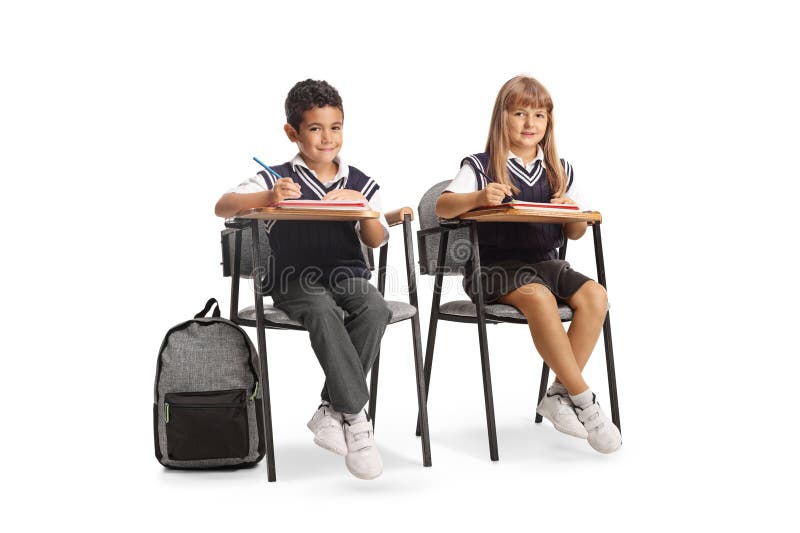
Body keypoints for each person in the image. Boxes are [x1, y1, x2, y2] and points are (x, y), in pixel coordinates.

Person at [435, 75, 621, 454]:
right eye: (519, 113)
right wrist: (478, 197)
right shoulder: (480, 165)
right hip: (492, 268)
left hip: (545, 263)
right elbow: (442, 207)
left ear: (548, 122)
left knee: (596, 296)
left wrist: (573, 213)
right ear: (502, 118)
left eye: (539, 115)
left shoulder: (560, 170)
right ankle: (583, 399)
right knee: (539, 298)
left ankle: (557, 392)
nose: (529, 123)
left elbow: (576, 232)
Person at [215, 79, 390, 478]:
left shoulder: (361, 182)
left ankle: (333, 409)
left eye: (336, 127)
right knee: (321, 309)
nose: (328, 138)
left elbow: (375, 239)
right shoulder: (275, 179)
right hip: (294, 278)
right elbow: (222, 205)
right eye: (315, 129)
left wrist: (364, 210)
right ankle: (358, 420)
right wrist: (268, 198)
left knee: (374, 307)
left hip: (349, 274)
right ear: (292, 133)